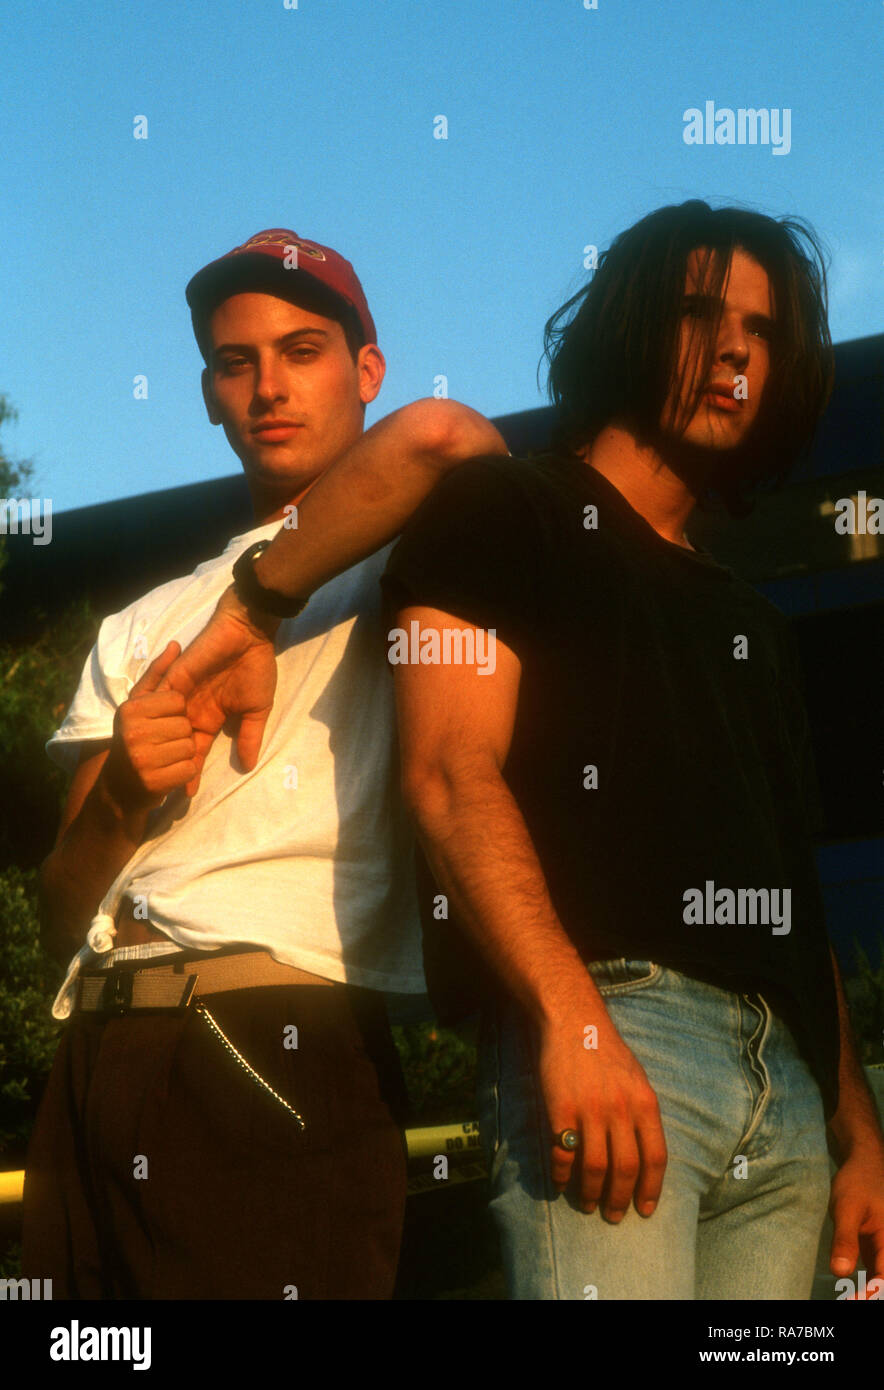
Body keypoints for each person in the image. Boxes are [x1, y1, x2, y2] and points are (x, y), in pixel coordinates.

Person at [377, 201, 884, 1299]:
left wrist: (857, 1132)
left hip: (786, 1098)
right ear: (628, 322)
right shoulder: (502, 506)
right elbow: (446, 774)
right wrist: (574, 1022)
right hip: (617, 1033)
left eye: (763, 330)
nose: (735, 350)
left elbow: (794, 899)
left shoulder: (750, 618)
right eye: (699, 313)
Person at [22, 227, 505, 1300]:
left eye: (302, 351)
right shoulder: (141, 619)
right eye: (235, 363)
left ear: (368, 370)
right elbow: (58, 911)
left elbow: (444, 435)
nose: (268, 388)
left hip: (267, 1034)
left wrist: (251, 611)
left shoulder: (420, 543)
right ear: (208, 394)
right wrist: (124, 796)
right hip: (95, 1048)